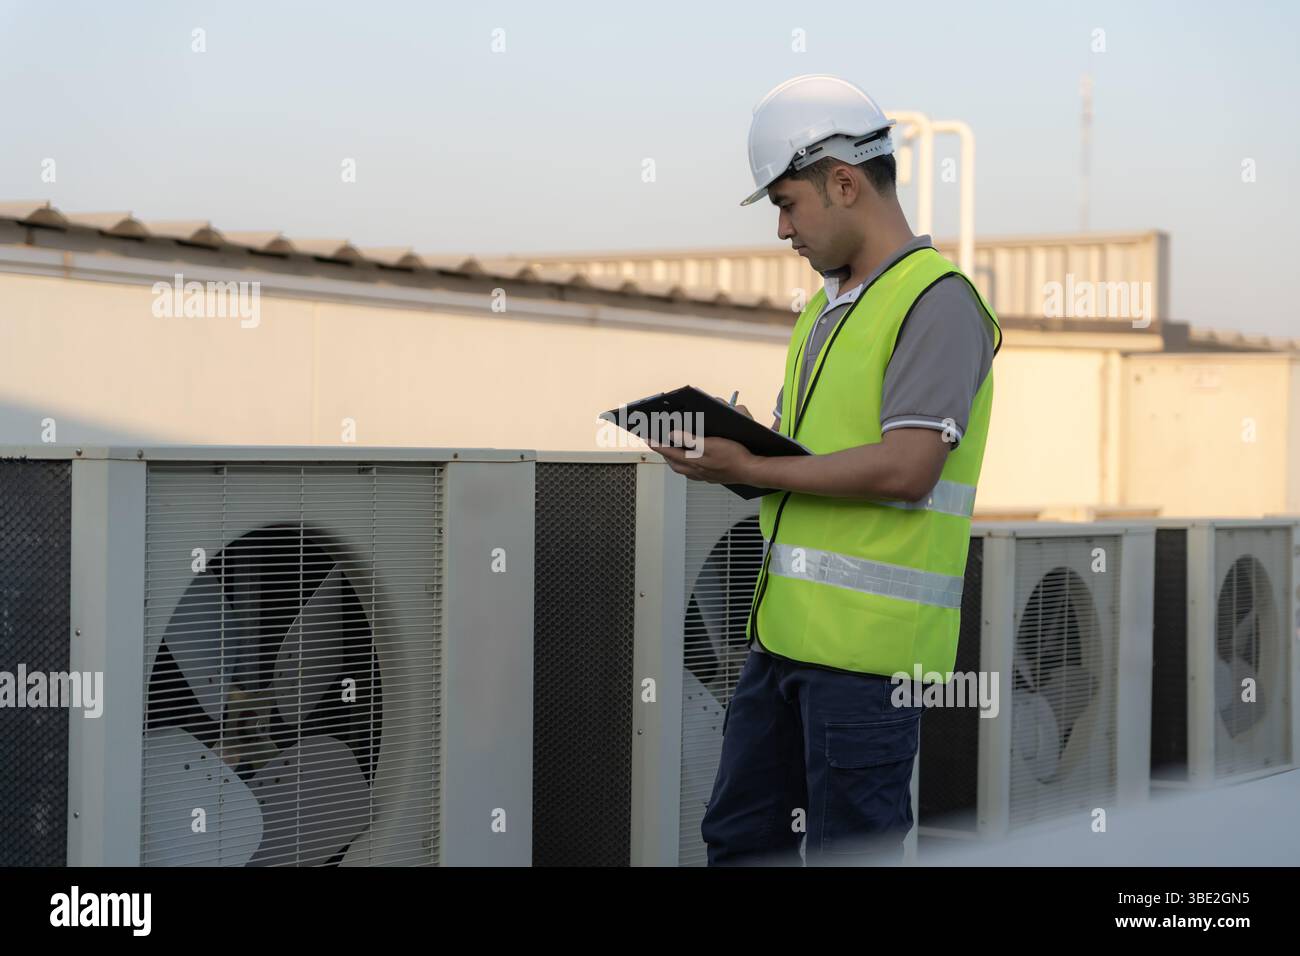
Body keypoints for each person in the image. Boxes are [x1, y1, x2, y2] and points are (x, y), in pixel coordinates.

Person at [651, 75, 1002, 866]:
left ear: (843, 182)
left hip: (869, 668)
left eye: (788, 203)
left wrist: (753, 465)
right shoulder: (824, 308)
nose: (781, 230)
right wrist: (728, 454)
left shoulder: (936, 302)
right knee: (740, 843)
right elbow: (807, 463)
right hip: (779, 644)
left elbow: (908, 468)